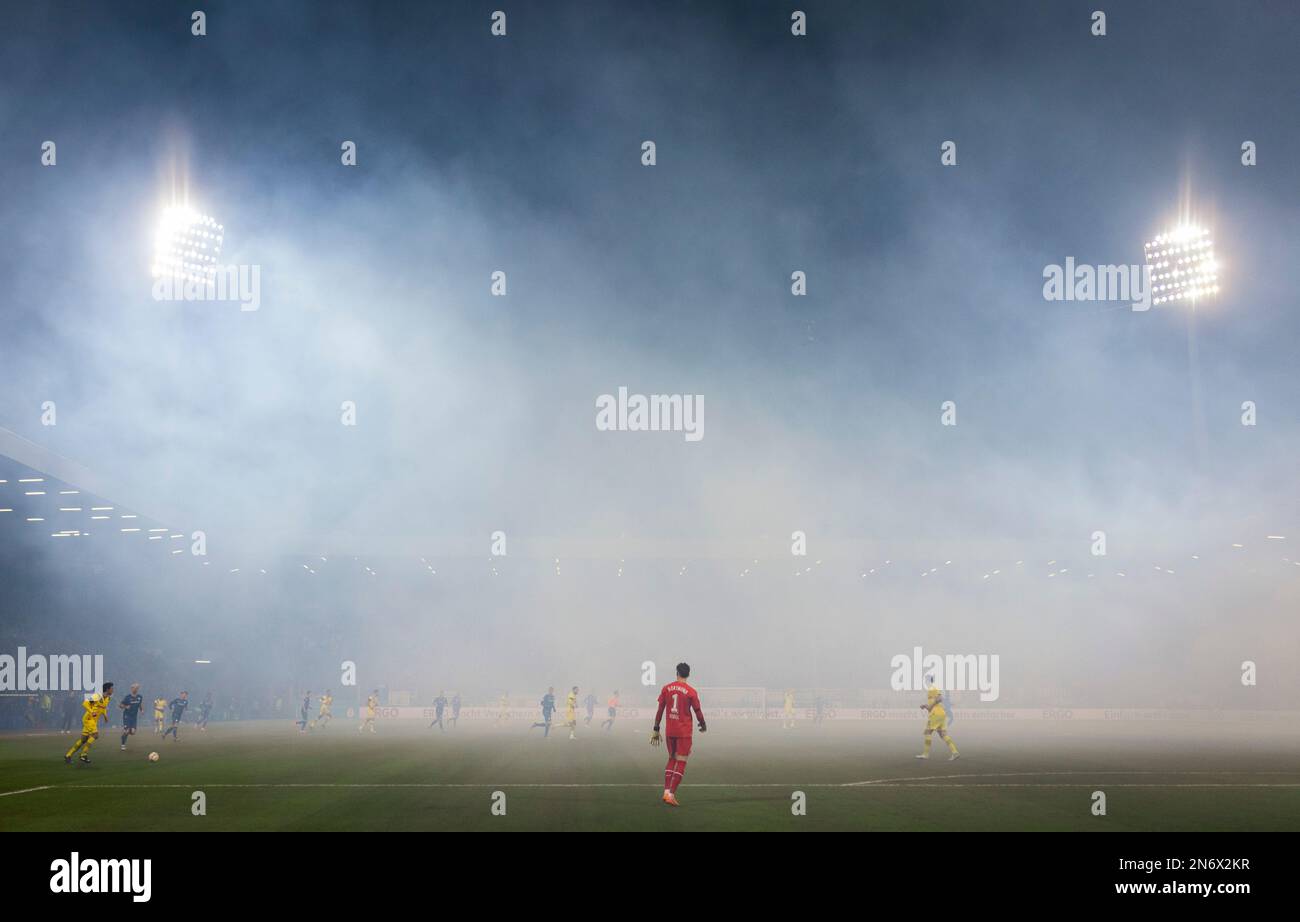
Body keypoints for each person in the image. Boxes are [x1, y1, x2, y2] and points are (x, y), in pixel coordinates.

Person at [652, 664, 705, 806]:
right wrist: (703, 724)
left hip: (670, 730)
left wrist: (656, 728)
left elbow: (660, 709)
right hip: (684, 731)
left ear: (677, 672)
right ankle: (671, 795)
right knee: (681, 761)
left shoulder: (666, 688)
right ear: (688, 674)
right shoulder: (691, 691)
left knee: (671, 759)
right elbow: (697, 710)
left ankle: (666, 792)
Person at [64, 682, 113, 764]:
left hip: (93, 720)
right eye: (112, 688)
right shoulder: (97, 696)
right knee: (95, 735)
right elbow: (85, 703)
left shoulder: (107, 698)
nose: (113, 690)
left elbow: (103, 708)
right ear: (107, 689)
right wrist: (91, 712)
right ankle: (83, 755)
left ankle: (68, 755)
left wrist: (105, 716)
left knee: (83, 739)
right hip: (89, 718)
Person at [916, 681, 959, 761]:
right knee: (943, 734)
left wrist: (929, 706)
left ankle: (925, 754)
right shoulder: (931, 690)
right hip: (940, 714)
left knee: (927, 732)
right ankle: (955, 752)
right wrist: (926, 706)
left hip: (936, 714)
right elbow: (933, 704)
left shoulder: (933, 688)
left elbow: (939, 699)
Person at [119, 683, 144, 750]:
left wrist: (142, 710)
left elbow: (140, 704)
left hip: (134, 717)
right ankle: (123, 744)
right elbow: (120, 705)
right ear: (131, 689)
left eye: (137, 688)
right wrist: (125, 706)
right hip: (127, 716)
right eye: (134, 688)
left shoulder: (140, 697)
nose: (136, 689)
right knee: (127, 731)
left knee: (133, 732)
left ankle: (126, 732)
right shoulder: (127, 697)